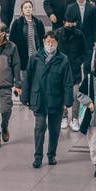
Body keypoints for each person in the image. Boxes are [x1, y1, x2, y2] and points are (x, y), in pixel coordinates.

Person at [21, 31, 74, 168]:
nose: (50, 45)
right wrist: (25, 97)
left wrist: (68, 101)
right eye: (48, 42)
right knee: (39, 128)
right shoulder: (35, 58)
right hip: (39, 99)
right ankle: (38, 157)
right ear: (44, 42)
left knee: (54, 130)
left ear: (57, 43)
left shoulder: (63, 60)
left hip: (55, 100)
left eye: (53, 42)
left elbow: (67, 82)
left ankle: (51, 155)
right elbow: (28, 79)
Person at [9, 0, 44, 69]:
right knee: (24, 75)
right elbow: (11, 39)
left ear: (32, 9)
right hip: (22, 54)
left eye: (30, 7)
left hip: (36, 53)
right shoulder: (17, 23)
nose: (28, 9)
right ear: (22, 10)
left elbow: (43, 39)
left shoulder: (38, 23)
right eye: (25, 8)